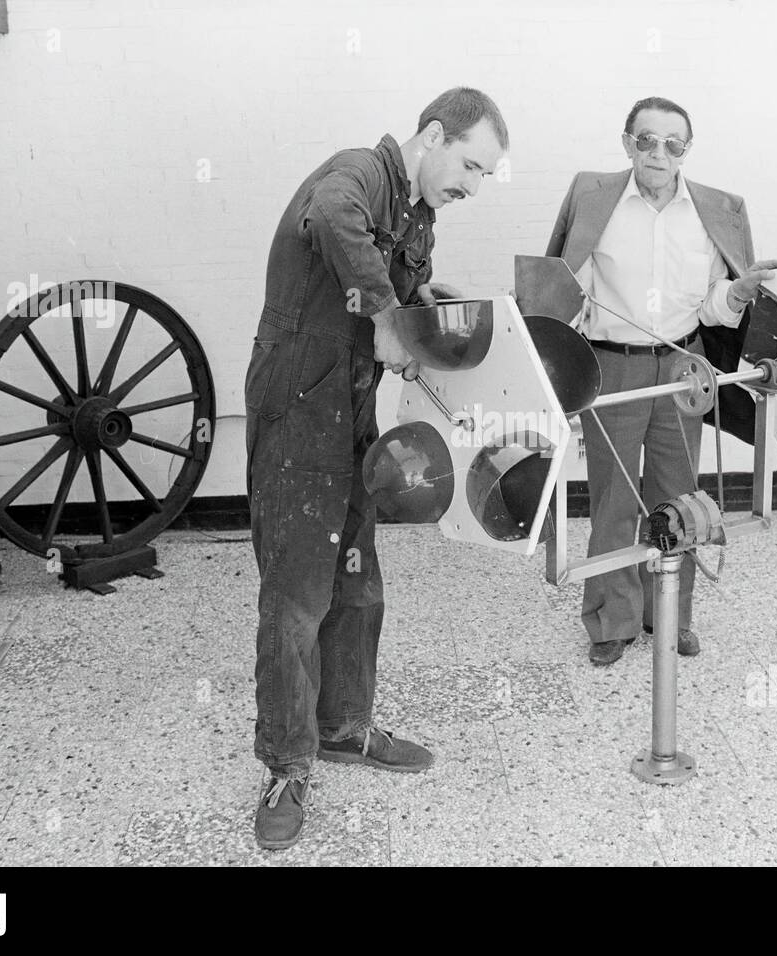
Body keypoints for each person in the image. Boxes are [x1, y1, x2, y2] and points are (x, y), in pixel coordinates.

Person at [245, 88, 509, 849]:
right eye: (470, 164)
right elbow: (333, 222)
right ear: (432, 134)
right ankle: (286, 765)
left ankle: (342, 726)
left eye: (486, 175)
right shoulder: (358, 173)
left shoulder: (418, 211)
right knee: (296, 598)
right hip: (297, 411)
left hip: (354, 413)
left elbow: (389, 275)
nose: (473, 185)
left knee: (357, 582)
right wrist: (389, 316)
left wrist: (424, 300)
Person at [545, 95, 777, 667]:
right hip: (612, 366)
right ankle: (611, 620)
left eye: (672, 143)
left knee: (679, 496)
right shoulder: (593, 197)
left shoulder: (715, 211)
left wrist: (737, 293)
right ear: (627, 142)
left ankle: (670, 616)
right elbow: (560, 285)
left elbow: (712, 308)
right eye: (646, 139)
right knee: (611, 498)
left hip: (684, 366)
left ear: (686, 151)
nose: (658, 152)